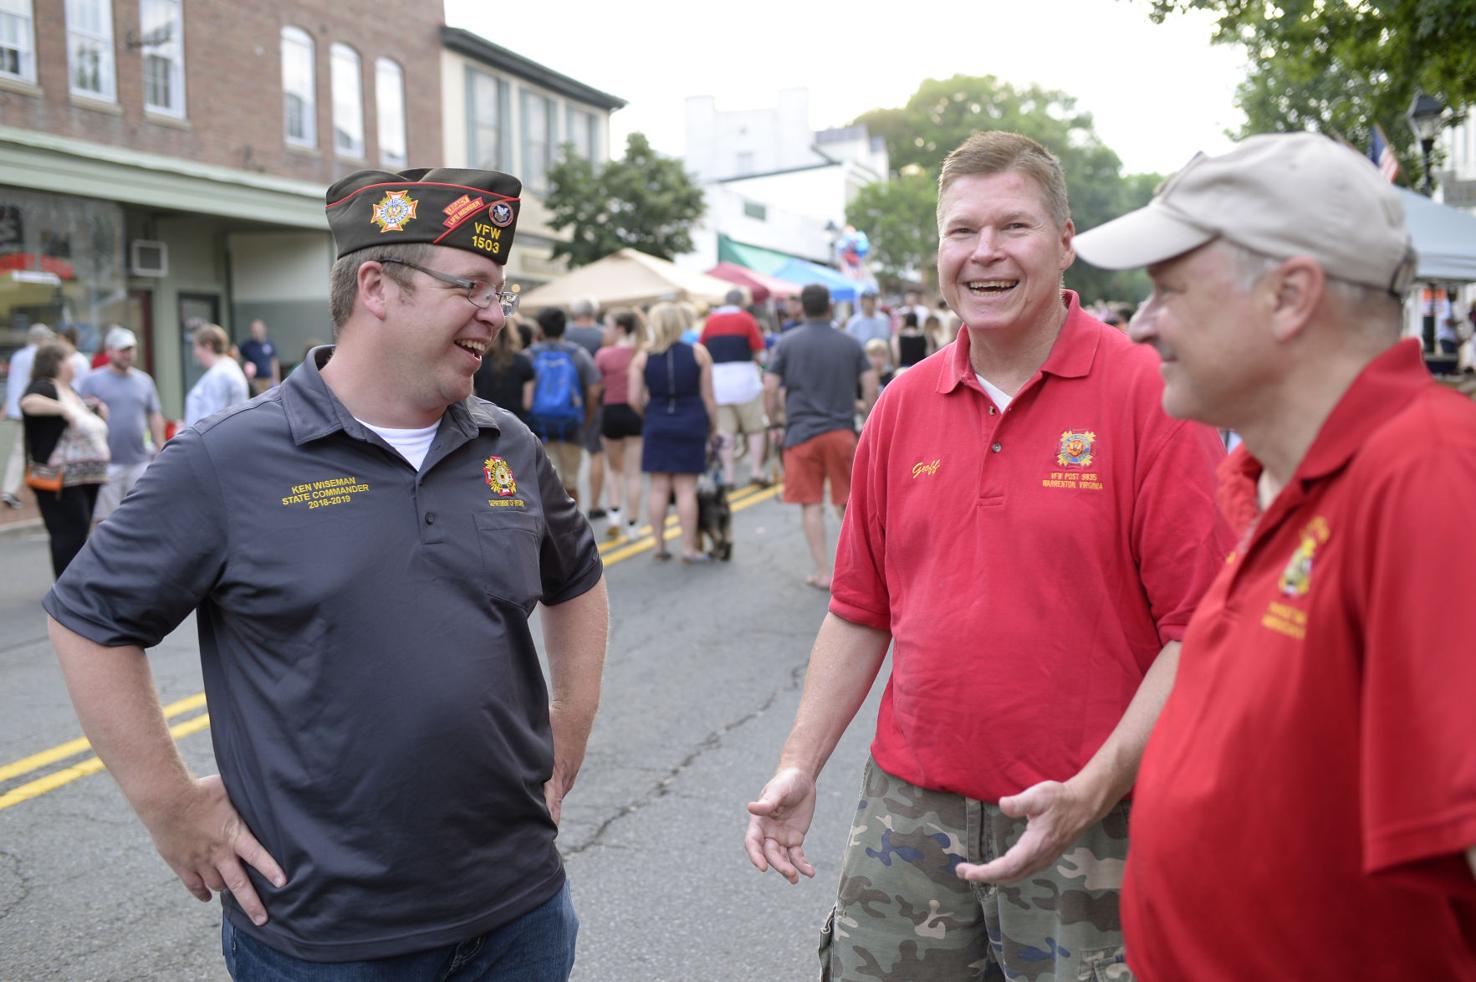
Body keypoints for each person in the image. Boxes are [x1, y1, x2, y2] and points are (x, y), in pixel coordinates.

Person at [43, 165, 608, 981]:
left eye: (501, 292)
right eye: (474, 288)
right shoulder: (224, 459)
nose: (496, 315)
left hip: (520, 911)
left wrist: (571, 723)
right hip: (325, 940)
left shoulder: (508, 444)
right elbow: (90, 623)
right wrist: (168, 804)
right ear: (377, 287)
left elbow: (578, 580)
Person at [744, 132, 1233, 982]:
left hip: (1093, 821)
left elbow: (1201, 634)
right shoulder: (901, 404)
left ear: (1066, 240)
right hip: (910, 814)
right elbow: (861, 610)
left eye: (1014, 227)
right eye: (961, 232)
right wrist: (799, 763)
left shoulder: (1151, 395)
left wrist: (1096, 788)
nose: (985, 254)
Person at [1073, 131, 1476, 978]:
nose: (1141, 322)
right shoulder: (1272, 482)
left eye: (1169, 289)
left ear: (1291, 295)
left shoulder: (1428, 478)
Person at [762, 283, 876, 591]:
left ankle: (824, 572)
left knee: (810, 503)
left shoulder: (786, 343)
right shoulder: (849, 343)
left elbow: (770, 386)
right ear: (828, 307)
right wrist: (868, 420)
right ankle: (862, 571)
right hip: (841, 431)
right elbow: (869, 383)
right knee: (849, 504)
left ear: (802, 308)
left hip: (801, 433)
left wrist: (772, 421)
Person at [629, 302, 717, 563]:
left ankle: (659, 545)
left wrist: (650, 415)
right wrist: (713, 428)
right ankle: (689, 548)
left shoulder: (642, 357)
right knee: (686, 489)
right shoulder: (699, 353)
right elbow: (709, 397)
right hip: (691, 421)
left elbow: (633, 398)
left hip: (657, 421)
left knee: (658, 488)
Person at [19, 341, 109, 575]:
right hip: (61, 479)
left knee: (79, 532)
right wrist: (64, 409)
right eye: (69, 358)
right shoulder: (45, 387)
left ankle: (76, 584)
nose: (75, 363)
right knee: (70, 533)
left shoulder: (71, 390)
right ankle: (67, 590)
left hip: (86, 477)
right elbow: (28, 403)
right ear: (56, 363)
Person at [76, 327, 165, 523]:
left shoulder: (144, 381)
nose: (128, 354)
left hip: (139, 461)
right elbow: (81, 417)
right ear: (109, 351)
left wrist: (161, 448)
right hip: (106, 463)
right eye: (122, 349)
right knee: (104, 521)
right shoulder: (92, 380)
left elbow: (154, 415)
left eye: (131, 349)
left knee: (140, 518)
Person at [528, 307, 600, 507]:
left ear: (540, 329)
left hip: (537, 429)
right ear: (564, 328)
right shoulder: (579, 354)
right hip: (571, 428)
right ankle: (574, 532)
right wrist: (585, 419)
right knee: (571, 484)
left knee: (544, 486)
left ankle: (547, 534)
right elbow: (595, 390)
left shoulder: (530, 355)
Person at [700, 288, 769, 488]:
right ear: (741, 302)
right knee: (754, 428)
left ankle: (729, 476)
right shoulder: (747, 320)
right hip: (744, 380)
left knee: (725, 430)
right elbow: (759, 352)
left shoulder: (710, 321)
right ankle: (756, 470)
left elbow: (702, 349)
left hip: (718, 382)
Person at [594, 309, 644, 538]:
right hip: (636, 413)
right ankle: (633, 525)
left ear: (621, 328)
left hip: (612, 411)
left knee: (615, 470)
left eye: (608, 325)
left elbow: (598, 386)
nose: (606, 330)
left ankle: (614, 514)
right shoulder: (641, 353)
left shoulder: (604, 354)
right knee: (633, 473)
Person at [2, 322, 54, 509]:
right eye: (47, 338)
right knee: (23, 451)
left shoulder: (18, 356)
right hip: (32, 409)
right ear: (41, 339)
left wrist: (7, 407)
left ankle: (20, 489)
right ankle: (11, 490)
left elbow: (12, 384)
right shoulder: (39, 356)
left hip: (18, 409)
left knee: (23, 450)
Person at [565, 300, 608, 518]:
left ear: (574, 311)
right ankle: (595, 505)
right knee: (596, 452)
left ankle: (566, 507)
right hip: (595, 400)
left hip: (563, 403)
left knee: (560, 457)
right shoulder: (603, 334)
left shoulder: (565, 333)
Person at [473, 312, 536, 424]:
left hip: (485, 425)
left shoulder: (478, 362)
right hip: (517, 425)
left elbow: (472, 401)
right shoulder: (524, 362)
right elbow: (527, 404)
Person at [183, 324, 250, 427]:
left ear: (208, 345)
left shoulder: (220, 375)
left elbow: (209, 423)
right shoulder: (228, 368)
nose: (195, 352)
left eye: (196, 346)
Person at [238, 319, 280, 395]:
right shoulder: (247, 345)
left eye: (258, 330)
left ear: (264, 330)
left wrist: (276, 379)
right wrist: (246, 377)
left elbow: (274, 362)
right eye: (254, 331)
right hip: (255, 382)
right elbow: (240, 360)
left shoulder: (269, 344)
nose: (256, 333)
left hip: (268, 381)